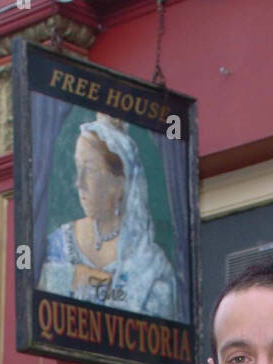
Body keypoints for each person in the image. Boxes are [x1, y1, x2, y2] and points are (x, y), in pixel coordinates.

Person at [38, 114, 183, 320]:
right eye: (78, 168)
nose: (79, 183)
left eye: (90, 171)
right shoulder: (58, 244)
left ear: (120, 183)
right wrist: (73, 276)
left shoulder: (153, 267)